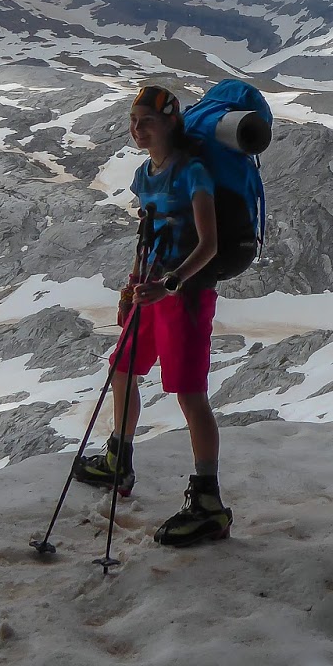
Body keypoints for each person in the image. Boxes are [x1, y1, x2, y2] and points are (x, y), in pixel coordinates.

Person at [73, 84, 233, 546]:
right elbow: (148, 238)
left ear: (170, 123)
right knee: (122, 370)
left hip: (182, 297)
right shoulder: (146, 176)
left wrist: (168, 285)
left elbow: (210, 245)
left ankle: (208, 502)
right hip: (151, 293)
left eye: (145, 120)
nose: (136, 128)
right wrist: (132, 285)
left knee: (190, 395)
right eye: (133, 120)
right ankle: (117, 461)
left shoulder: (193, 173)